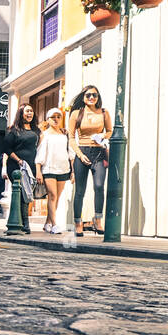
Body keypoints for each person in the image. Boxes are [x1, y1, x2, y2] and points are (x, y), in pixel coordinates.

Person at [68, 85, 113, 237]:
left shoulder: (104, 113)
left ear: (98, 97)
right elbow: (71, 137)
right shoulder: (76, 113)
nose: (91, 98)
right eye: (88, 95)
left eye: (94, 95)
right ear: (83, 98)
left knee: (99, 186)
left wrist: (103, 137)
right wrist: (80, 155)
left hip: (99, 152)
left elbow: (110, 131)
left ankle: (98, 220)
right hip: (83, 152)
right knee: (80, 191)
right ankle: (78, 222)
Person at [35, 109, 74, 234]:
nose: (56, 119)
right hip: (49, 169)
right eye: (53, 117)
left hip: (63, 169)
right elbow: (40, 155)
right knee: (52, 195)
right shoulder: (44, 135)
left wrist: (73, 171)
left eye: (58, 116)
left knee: (56, 198)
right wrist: (38, 171)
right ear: (48, 119)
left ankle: (48, 223)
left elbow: (70, 154)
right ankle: (55, 224)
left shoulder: (65, 135)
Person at [3, 106, 40, 234]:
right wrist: (18, 160)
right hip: (16, 167)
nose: (30, 113)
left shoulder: (36, 130)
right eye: (27, 111)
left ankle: (22, 222)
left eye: (31, 111)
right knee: (20, 194)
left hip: (31, 167)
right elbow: (7, 149)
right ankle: (23, 224)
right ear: (21, 114)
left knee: (27, 195)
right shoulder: (13, 131)